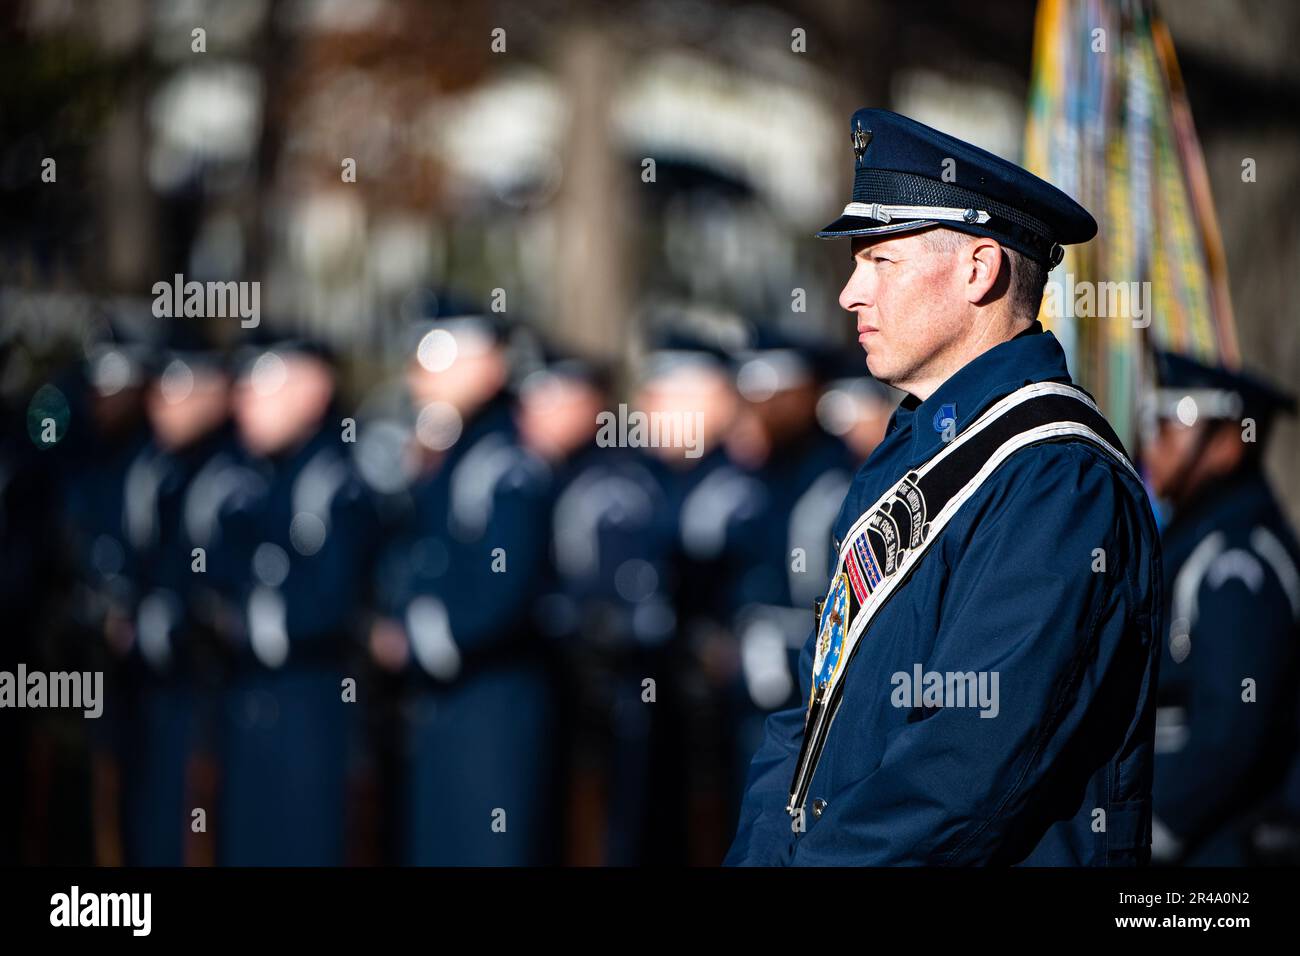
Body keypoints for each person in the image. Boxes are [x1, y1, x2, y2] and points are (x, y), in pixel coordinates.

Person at [726, 108, 1163, 866]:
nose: (848, 294)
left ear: (979, 269)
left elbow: (963, 772)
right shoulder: (914, 445)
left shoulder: (1058, 479)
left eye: (879, 261)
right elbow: (814, 714)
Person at [370, 310, 557, 866]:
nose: (418, 376)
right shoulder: (451, 460)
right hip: (444, 704)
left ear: (490, 363)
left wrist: (417, 633)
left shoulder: (505, 465)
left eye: (437, 357)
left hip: (491, 704)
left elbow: (501, 593)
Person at [212, 336, 376, 865]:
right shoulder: (258, 478)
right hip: (252, 699)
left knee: (303, 841)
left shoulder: (334, 481)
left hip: (313, 701)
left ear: (313, 390)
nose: (244, 399)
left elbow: (329, 600)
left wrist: (250, 617)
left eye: (264, 384)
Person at [1142, 349, 1300, 865]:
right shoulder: (1193, 547)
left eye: (1176, 418)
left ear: (1230, 442)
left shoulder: (1235, 565)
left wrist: (1157, 830)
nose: (1154, 439)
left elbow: (1232, 730)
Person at [520, 350, 674, 865]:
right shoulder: (553, 474)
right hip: (566, 691)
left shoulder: (614, 483)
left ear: (592, 402)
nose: (534, 409)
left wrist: (560, 618)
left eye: (552, 396)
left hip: (614, 694)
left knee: (616, 831)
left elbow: (636, 614)